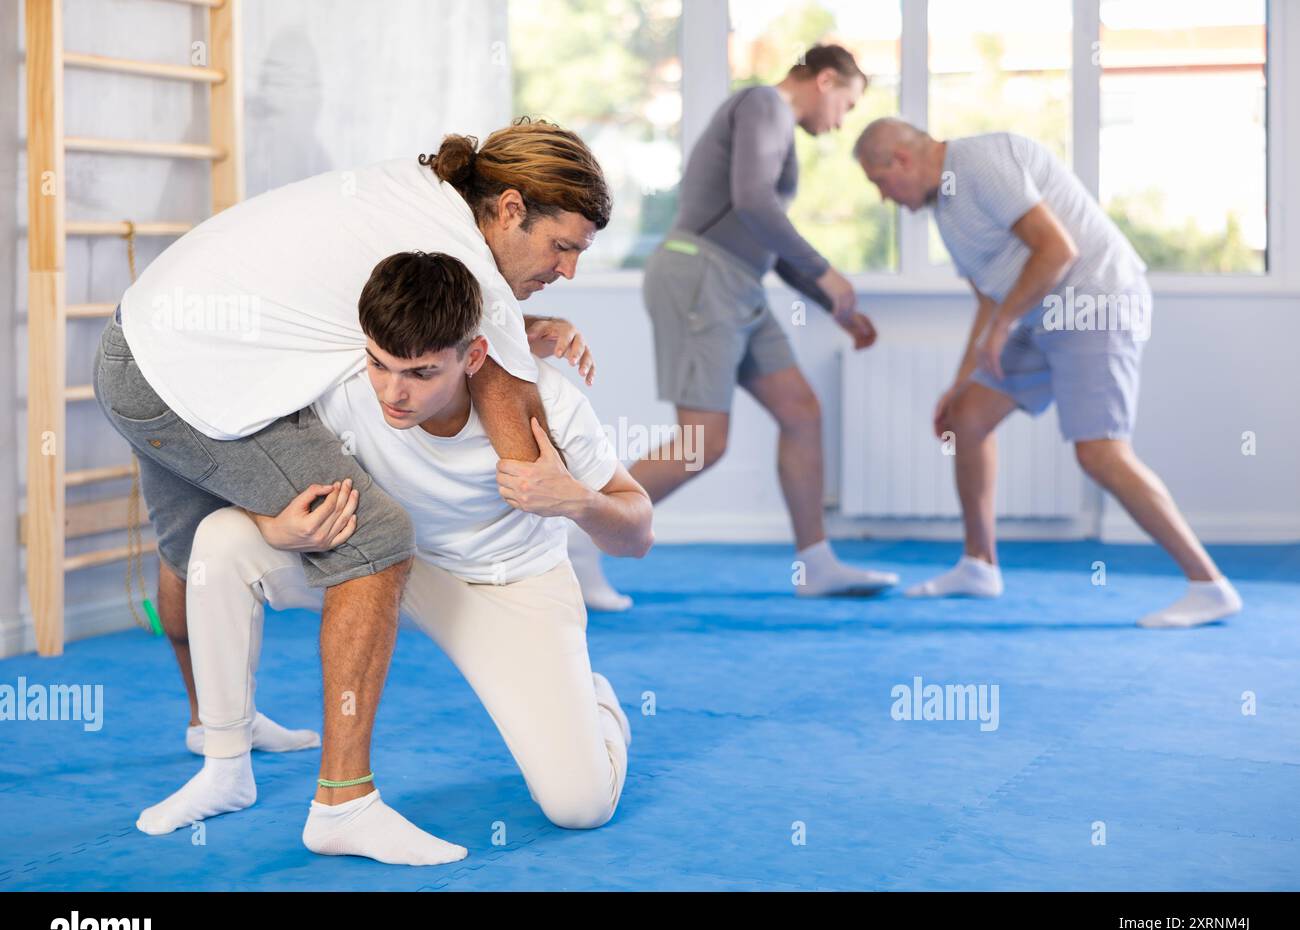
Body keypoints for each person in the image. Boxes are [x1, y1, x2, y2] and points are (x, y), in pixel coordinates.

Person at [94, 119, 612, 844]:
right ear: (510, 209)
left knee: (191, 547)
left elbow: (464, 339)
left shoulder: (416, 191)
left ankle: (211, 739)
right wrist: (533, 375)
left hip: (137, 345)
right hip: (183, 382)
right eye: (563, 247)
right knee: (378, 533)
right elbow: (519, 450)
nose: (567, 269)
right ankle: (344, 804)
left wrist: (522, 339)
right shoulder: (466, 259)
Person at [136, 251, 651, 865]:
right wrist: (272, 527)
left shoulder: (552, 404)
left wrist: (580, 502)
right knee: (223, 537)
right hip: (385, 568)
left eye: (421, 373)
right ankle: (225, 768)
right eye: (380, 364)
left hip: (508, 586)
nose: (393, 392)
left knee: (580, 807)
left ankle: (595, 704)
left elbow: (637, 530)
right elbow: (253, 466)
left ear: (475, 357)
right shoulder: (343, 384)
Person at [853, 118, 1242, 628]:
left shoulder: (980, 162)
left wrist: (1004, 325)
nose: (885, 198)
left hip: (1096, 302)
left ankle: (1209, 585)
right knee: (965, 417)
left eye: (879, 184)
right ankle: (979, 565)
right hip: (1043, 314)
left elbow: (1058, 248)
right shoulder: (946, 213)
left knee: (1100, 452)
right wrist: (961, 380)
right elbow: (986, 303)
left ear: (900, 160)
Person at [571, 44, 897, 610]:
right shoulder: (763, 104)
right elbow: (753, 203)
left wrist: (831, 301)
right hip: (701, 274)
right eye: (847, 104)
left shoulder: (777, 123)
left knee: (801, 411)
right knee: (705, 444)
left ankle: (816, 564)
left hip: (741, 282)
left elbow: (763, 233)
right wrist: (827, 271)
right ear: (825, 80)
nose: (843, 121)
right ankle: (579, 538)